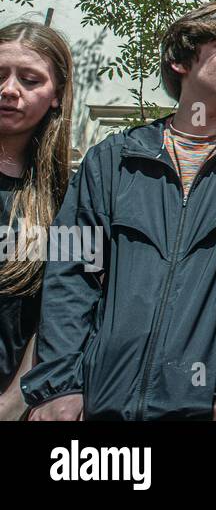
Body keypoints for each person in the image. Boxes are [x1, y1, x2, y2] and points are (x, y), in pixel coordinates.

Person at [23, 1, 216, 420]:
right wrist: (60, 386)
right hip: (99, 401)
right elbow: (70, 273)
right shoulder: (114, 158)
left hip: (209, 406)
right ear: (180, 60)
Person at [0, 22, 72, 397]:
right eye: (0, 75)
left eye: (29, 80)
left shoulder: (67, 201)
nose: (9, 90)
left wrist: (12, 406)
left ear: (56, 95)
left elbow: (57, 317)